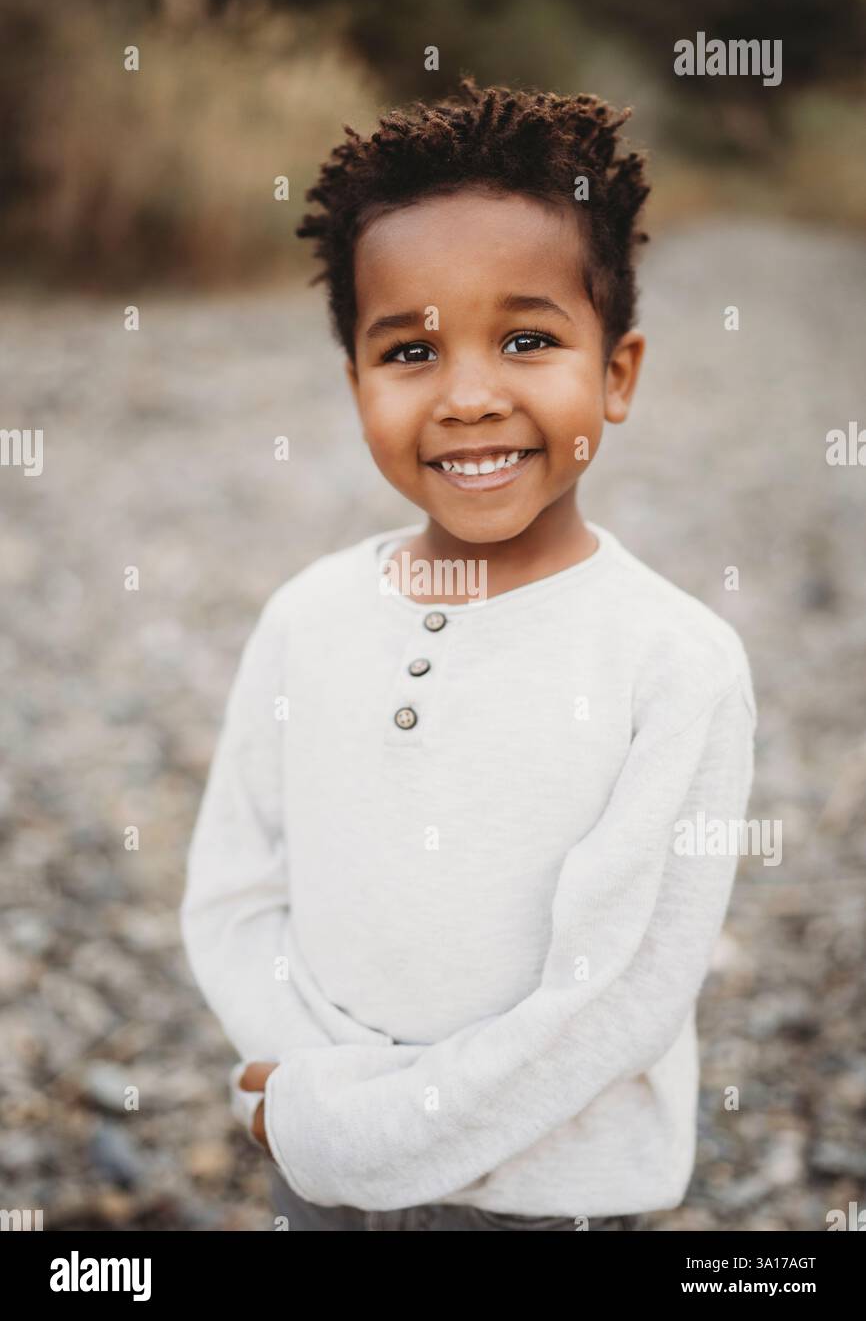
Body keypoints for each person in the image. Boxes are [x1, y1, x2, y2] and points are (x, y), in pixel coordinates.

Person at [180, 77, 757, 1231]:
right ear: (355, 386)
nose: (469, 396)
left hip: (545, 1195)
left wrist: (369, 1131)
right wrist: (322, 1104)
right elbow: (236, 893)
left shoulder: (674, 661)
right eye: (409, 353)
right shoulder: (306, 616)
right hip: (322, 1165)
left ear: (616, 374)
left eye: (527, 338)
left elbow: (619, 1001)